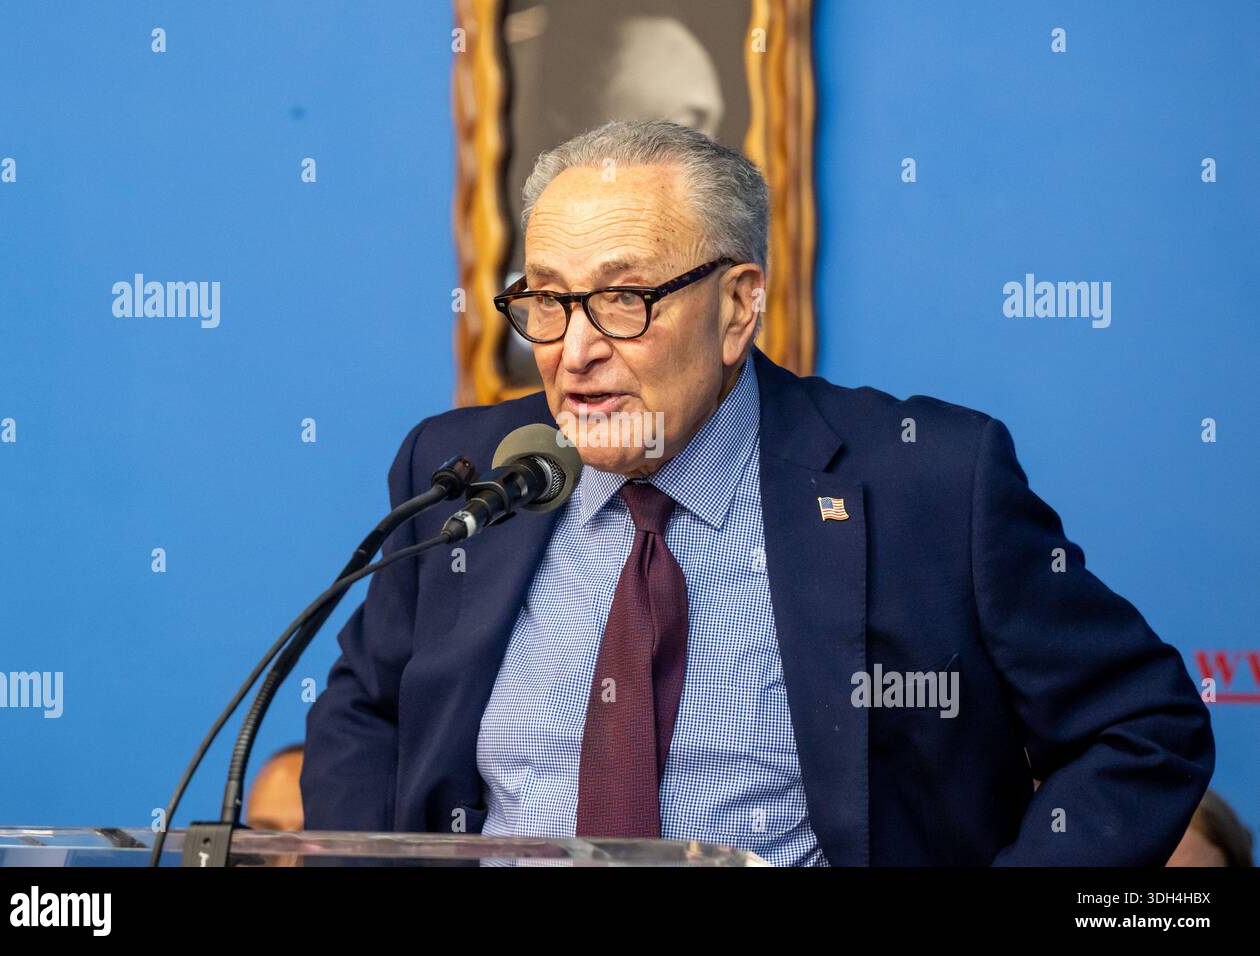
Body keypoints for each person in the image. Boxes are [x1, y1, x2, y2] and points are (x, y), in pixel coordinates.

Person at [302, 119, 1213, 866]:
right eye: (546, 300)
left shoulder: (927, 480)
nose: (572, 351)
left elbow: (1141, 729)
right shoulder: (465, 466)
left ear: (738, 306)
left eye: (624, 299)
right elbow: (367, 711)